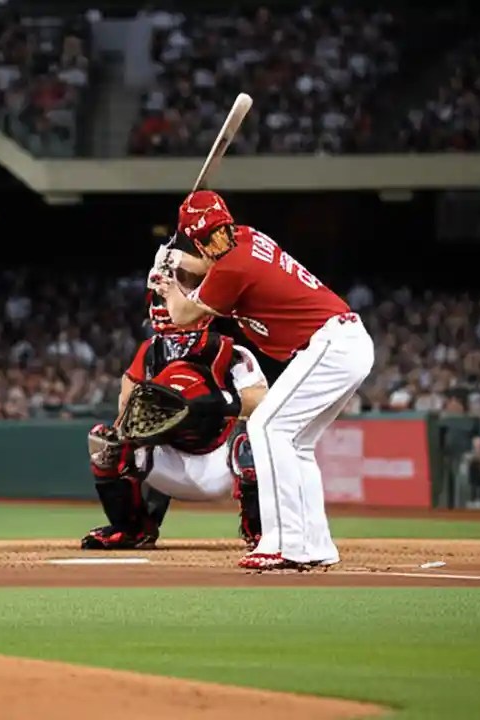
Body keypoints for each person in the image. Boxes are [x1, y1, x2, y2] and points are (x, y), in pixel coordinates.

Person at [150, 190, 373, 570]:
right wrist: (174, 260)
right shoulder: (247, 238)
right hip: (342, 343)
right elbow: (208, 268)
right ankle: (314, 544)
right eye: (208, 235)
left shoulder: (234, 268)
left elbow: (183, 315)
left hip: (330, 345)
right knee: (296, 443)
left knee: (267, 425)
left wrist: (167, 281)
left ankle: (282, 543)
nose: (214, 240)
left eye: (215, 233)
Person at [81, 275, 266, 551]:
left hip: (220, 465)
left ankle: (261, 532)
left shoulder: (231, 352)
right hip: (169, 463)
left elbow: (261, 402)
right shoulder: (148, 353)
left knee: (252, 438)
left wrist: (216, 404)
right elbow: (126, 414)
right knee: (106, 443)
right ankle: (131, 529)